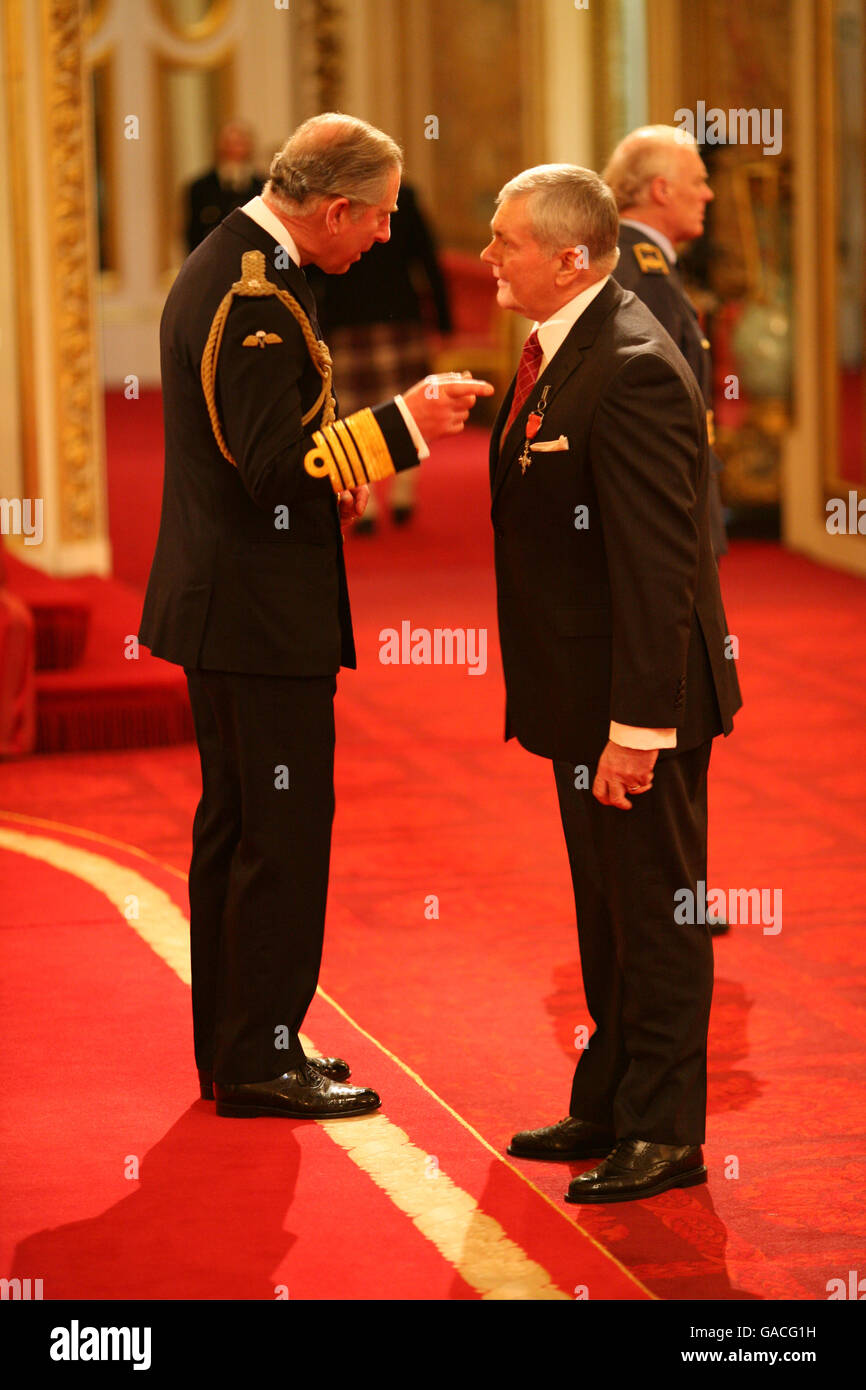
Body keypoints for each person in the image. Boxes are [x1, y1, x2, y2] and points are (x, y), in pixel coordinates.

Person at [139, 113, 491, 1121]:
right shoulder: (253, 292)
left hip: (234, 600)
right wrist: (401, 430)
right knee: (278, 832)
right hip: (253, 609)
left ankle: (242, 1041)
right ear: (334, 208)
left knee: (241, 826)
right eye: (376, 220)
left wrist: (319, 476)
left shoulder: (250, 262)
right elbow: (272, 473)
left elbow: (269, 454)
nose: (383, 239)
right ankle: (258, 1052)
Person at [480, 164, 741, 1203]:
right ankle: (611, 1094)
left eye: (504, 241)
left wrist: (637, 728)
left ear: (567, 257)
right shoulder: (564, 341)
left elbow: (656, 563)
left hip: (641, 706)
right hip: (584, 700)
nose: (488, 256)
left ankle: (665, 1131)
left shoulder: (627, 362)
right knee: (607, 912)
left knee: (657, 911)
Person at [603, 124, 727, 559]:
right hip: (667, 504)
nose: (708, 194)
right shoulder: (644, 274)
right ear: (662, 190)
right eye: (698, 182)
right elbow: (650, 407)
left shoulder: (635, 261)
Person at [307, 180, 453, 532]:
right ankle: (400, 497)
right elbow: (428, 259)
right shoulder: (403, 197)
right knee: (403, 408)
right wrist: (443, 319)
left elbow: (312, 268)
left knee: (362, 411)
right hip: (391, 317)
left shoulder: (335, 199)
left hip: (351, 318)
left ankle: (370, 503)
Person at [186, 121, 264, 254]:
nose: (233, 150)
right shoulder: (200, 188)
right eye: (228, 144)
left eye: (239, 144)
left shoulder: (262, 187)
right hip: (212, 259)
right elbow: (193, 235)